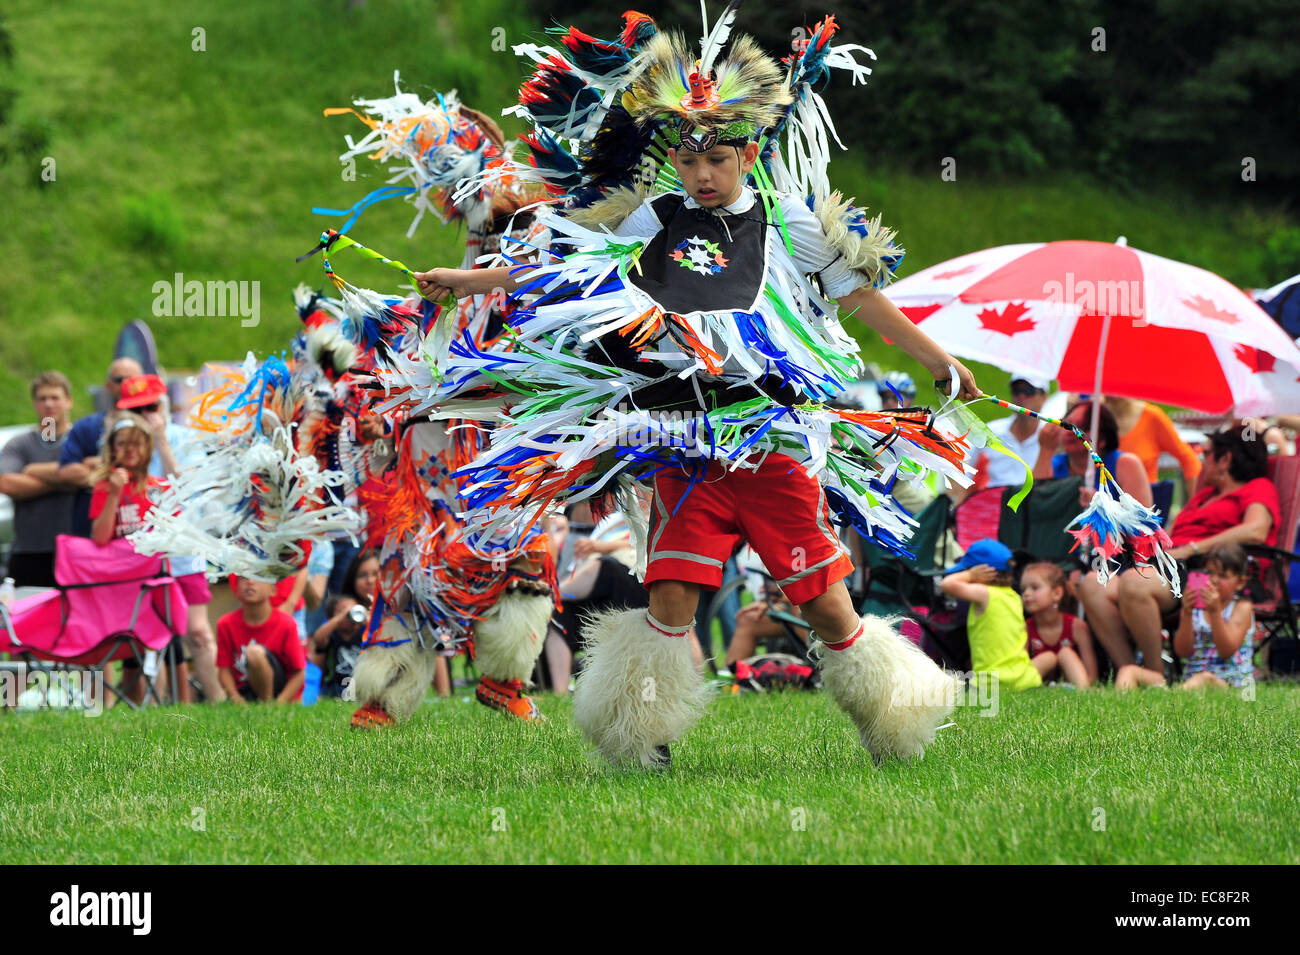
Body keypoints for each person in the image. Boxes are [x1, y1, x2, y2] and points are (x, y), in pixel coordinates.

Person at [411, 13, 980, 767]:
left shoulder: (790, 223)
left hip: (768, 440)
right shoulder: (658, 216)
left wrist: (938, 359)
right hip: (680, 438)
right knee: (669, 598)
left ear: (747, 151)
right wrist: (468, 278)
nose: (701, 173)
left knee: (825, 604)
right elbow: (565, 267)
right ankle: (640, 739)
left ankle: (896, 720)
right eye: (687, 159)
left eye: (715, 158)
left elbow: (861, 297)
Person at [1080, 423, 1278, 676]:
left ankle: (1156, 674)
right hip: (1172, 566)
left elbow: (1256, 530)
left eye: (1205, 454)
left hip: (1209, 571)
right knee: (1093, 585)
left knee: (1134, 583)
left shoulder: (1258, 487)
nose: (1201, 461)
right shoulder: (1204, 496)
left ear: (1225, 459)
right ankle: (1130, 671)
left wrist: (1193, 549)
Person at [117, 373, 224, 702]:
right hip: (139, 550)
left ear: (163, 405)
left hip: (184, 547)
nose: (146, 416)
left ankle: (219, 699)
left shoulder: (183, 437)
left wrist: (161, 440)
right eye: (137, 411)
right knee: (150, 632)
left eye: (150, 407)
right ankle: (156, 701)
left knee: (198, 631)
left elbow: (189, 486)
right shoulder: (119, 443)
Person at [1115, 544, 1254, 690]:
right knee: (1128, 671)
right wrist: (1187, 613)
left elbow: (1226, 651)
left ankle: (1171, 699)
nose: (1214, 580)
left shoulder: (1241, 607)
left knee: (1204, 678)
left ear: (1240, 583)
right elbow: (1182, 652)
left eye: (1223, 576)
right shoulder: (1194, 607)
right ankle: (1122, 708)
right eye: (1209, 573)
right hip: (1190, 684)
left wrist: (1214, 612)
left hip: (1228, 685)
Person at [0, 372, 77, 587]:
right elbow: (6, 483)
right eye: (42, 398)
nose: (49, 404)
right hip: (29, 552)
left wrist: (33, 470)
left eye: (55, 397)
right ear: (35, 404)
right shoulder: (19, 444)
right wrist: (66, 479)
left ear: (68, 401)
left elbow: (89, 474)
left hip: (75, 549)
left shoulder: (81, 439)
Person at [940, 539, 1041, 692]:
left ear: (983, 573)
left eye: (967, 570)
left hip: (992, 684)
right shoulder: (1013, 597)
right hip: (1026, 680)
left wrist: (969, 575)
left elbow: (947, 584)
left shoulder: (985, 594)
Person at [58, 357, 143, 537]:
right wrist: (111, 473)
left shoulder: (156, 426)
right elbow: (66, 472)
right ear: (108, 385)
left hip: (142, 532)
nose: (127, 385)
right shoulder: (87, 427)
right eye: (120, 380)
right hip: (93, 529)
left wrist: (97, 465)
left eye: (133, 380)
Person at [1034, 401, 1151, 507]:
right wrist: (1045, 450)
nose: (1070, 432)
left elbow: (1142, 525)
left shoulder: (1126, 464)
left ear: (1103, 439)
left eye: (1081, 427)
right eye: (1067, 424)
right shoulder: (1055, 463)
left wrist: (1103, 510)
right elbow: (1033, 506)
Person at [216, 576, 307, 703]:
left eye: (258, 576)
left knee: (254, 653)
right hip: (246, 692)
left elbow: (299, 673)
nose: (250, 581)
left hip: (280, 693)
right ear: (236, 588)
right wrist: (236, 700)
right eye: (243, 578)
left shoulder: (287, 623)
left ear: (273, 590)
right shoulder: (225, 624)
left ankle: (266, 704)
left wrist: (279, 704)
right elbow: (223, 670)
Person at [1020, 561, 1095, 687]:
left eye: (1034, 588)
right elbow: (1020, 670)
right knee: (1049, 657)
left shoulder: (1076, 626)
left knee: (1065, 653)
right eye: (1023, 589)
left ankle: (1083, 690)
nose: (1026, 594)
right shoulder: (1025, 628)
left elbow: (1092, 675)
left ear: (1057, 593)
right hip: (1037, 684)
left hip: (1074, 684)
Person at [1106, 396, 1202, 485]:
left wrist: (1196, 500)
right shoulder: (1095, 415)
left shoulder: (1152, 417)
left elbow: (1188, 458)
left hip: (1143, 500)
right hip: (1100, 499)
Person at [978, 376, 1050, 489]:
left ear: (1044, 397)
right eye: (1016, 391)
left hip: (1034, 502)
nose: (1021, 396)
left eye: (1028, 391)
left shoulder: (1052, 435)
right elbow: (965, 473)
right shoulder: (990, 431)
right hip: (992, 501)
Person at [309, 594, 366, 697]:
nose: (348, 615)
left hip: (359, 687)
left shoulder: (364, 634)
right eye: (341, 611)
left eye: (353, 610)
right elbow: (317, 639)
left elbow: (381, 634)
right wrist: (340, 618)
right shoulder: (331, 635)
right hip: (335, 687)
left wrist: (365, 618)